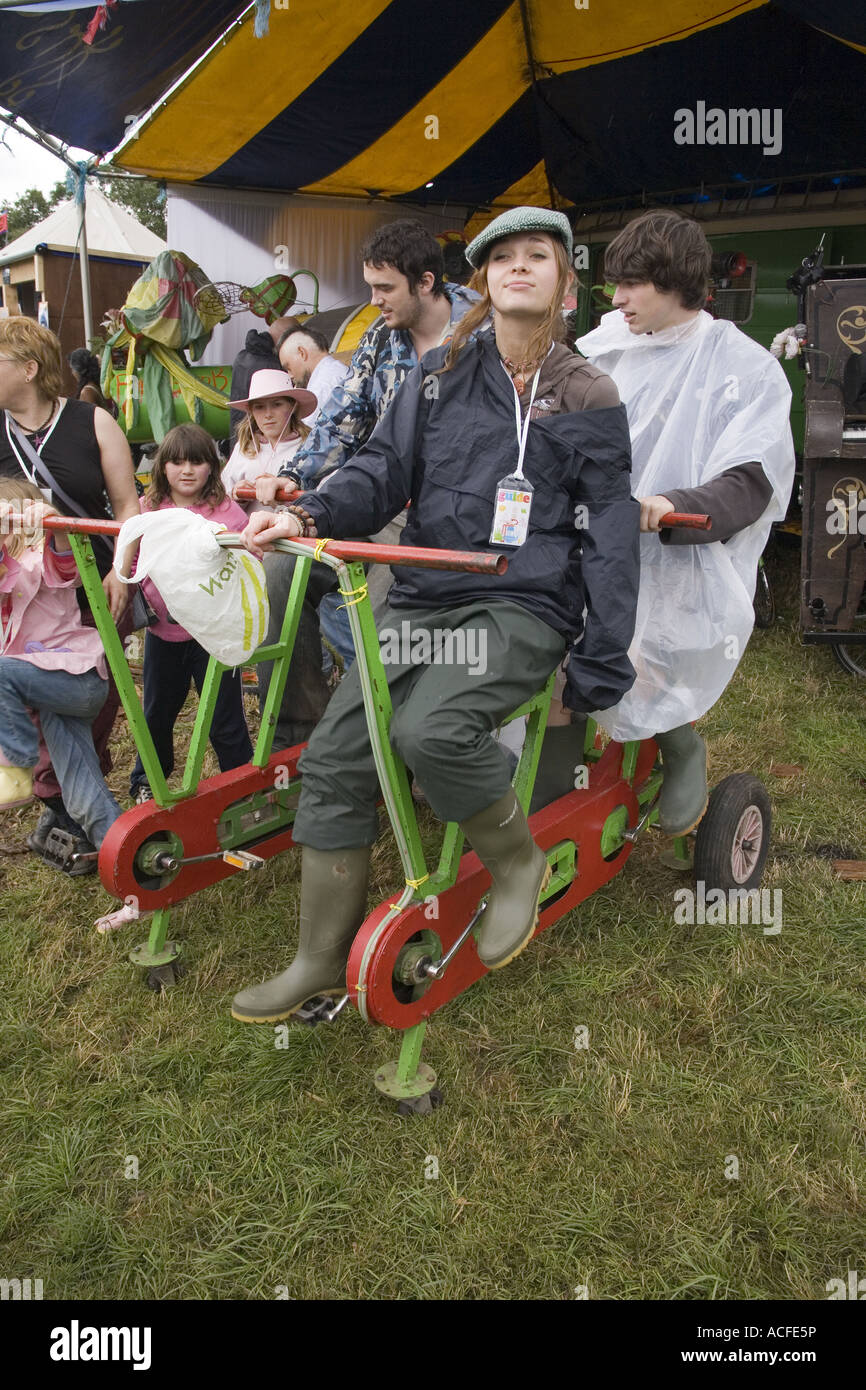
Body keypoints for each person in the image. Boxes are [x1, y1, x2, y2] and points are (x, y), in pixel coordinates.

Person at [230, 206, 640, 1024]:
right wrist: (308, 514)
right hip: (423, 594)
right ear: (482, 279)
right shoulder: (441, 370)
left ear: (565, 280)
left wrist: (599, 654)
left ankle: (515, 862)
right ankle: (318, 959)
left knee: (429, 732)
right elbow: (382, 468)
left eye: (539, 256)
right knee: (340, 754)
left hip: (522, 603)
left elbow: (613, 529)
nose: (519, 267)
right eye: (503, 258)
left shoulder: (587, 388)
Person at [577, 210, 795, 834]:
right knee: (570, 644)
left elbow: (753, 478)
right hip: (593, 535)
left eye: (631, 284)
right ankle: (558, 789)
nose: (616, 299)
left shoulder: (743, 367)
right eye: (613, 284)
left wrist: (672, 505)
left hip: (679, 549)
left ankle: (679, 748)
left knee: (653, 655)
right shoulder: (598, 351)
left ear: (676, 281)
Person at [253, 219, 482, 716]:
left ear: (426, 282)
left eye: (384, 287)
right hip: (374, 503)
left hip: (450, 519)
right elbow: (342, 419)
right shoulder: (380, 337)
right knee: (280, 573)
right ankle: (302, 728)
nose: (374, 299)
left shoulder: (484, 331)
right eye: (370, 286)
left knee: (381, 620)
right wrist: (293, 476)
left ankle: (393, 745)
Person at [0, 316, 140, 871]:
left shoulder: (92, 421)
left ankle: (67, 809)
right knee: (47, 709)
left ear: (29, 369)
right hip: (24, 597)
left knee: (97, 702)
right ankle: (67, 809)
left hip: (96, 584)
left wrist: (124, 572)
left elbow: (127, 505)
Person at [125, 424, 253, 803]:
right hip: (163, 634)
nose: (186, 470)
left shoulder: (225, 511)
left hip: (211, 636)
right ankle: (147, 780)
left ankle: (241, 785)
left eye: (196, 462)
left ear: (211, 467)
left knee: (224, 718)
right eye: (177, 462)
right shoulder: (148, 509)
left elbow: (247, 557)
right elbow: (129, 556)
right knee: (157, 713)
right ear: (162, 466)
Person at [0, 479, 121, 853]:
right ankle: (129, 858)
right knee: (79, 785)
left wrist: (56, 526)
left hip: (77, 681)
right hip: (48, 689)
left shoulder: (40, 558)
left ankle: (16, 766)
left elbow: (66, 565)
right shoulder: (5, 568)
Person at [221, 370, 317, 513]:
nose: (268, 414)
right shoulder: (243, 448)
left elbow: (324, 497)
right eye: (259, 407)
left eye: (277, 404)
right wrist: (238, 496)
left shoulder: (311, 447)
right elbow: (221, 504)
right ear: (251, 411)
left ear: (293, 406)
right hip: (249, 533)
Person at [228, 315, 300, 446]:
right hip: (261, 439)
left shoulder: (242, 356)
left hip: (241, 433)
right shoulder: (272, 364)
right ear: (287, 339)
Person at [276, 326, 348, 426]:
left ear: (302, 353)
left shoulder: (320, 389)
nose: (290, 375)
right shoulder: (339, 371)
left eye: (288, 367)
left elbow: (308, 436)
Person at [68, 347, 117, 417]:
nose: (72, 373)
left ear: (79, 370)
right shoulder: (99, 383)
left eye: (72, 369)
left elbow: (89, 420)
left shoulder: (87, 392)